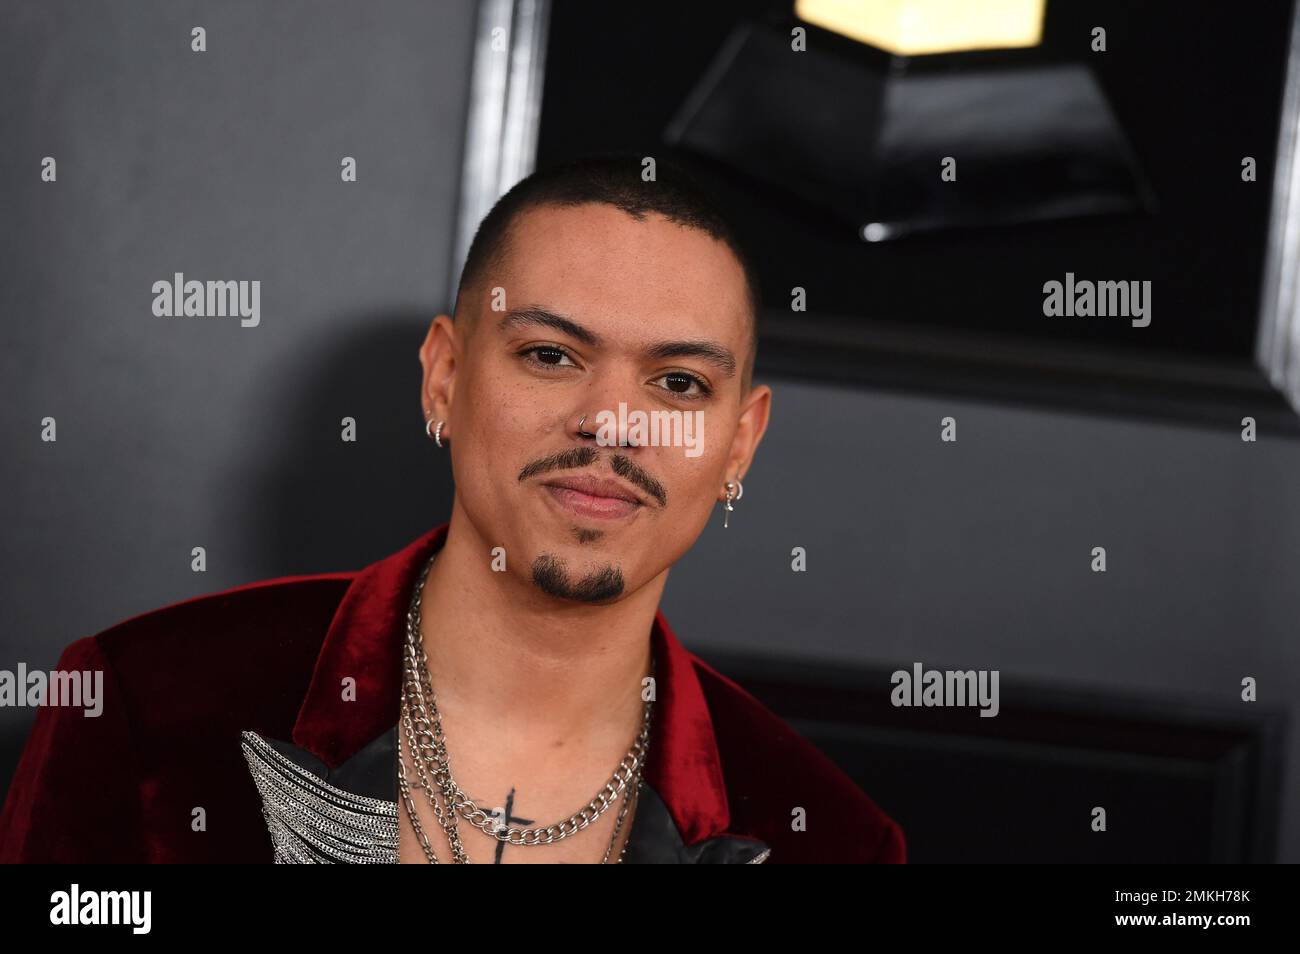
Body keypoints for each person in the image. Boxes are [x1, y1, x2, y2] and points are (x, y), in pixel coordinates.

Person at [0, 154, 904, 863]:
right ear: (446, 376)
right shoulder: (148, 702)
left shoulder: (830, 840)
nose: (611, 424)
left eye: (677, 382)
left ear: (739, 442)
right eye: (551, 355)